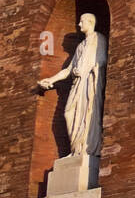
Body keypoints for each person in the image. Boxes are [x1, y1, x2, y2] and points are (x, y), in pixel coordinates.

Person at [38, 13, 108, 157]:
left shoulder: (99, 39)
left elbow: (101, 61)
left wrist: (87, 71)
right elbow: (68, 70)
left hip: (90, 84)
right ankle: (76, 149)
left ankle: (86, 149)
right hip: (78, 85)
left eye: (82, 22)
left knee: (89, 114)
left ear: (90, 22)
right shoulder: (81, 46)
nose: (79, 25)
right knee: (69, 113)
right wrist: (51, 80)